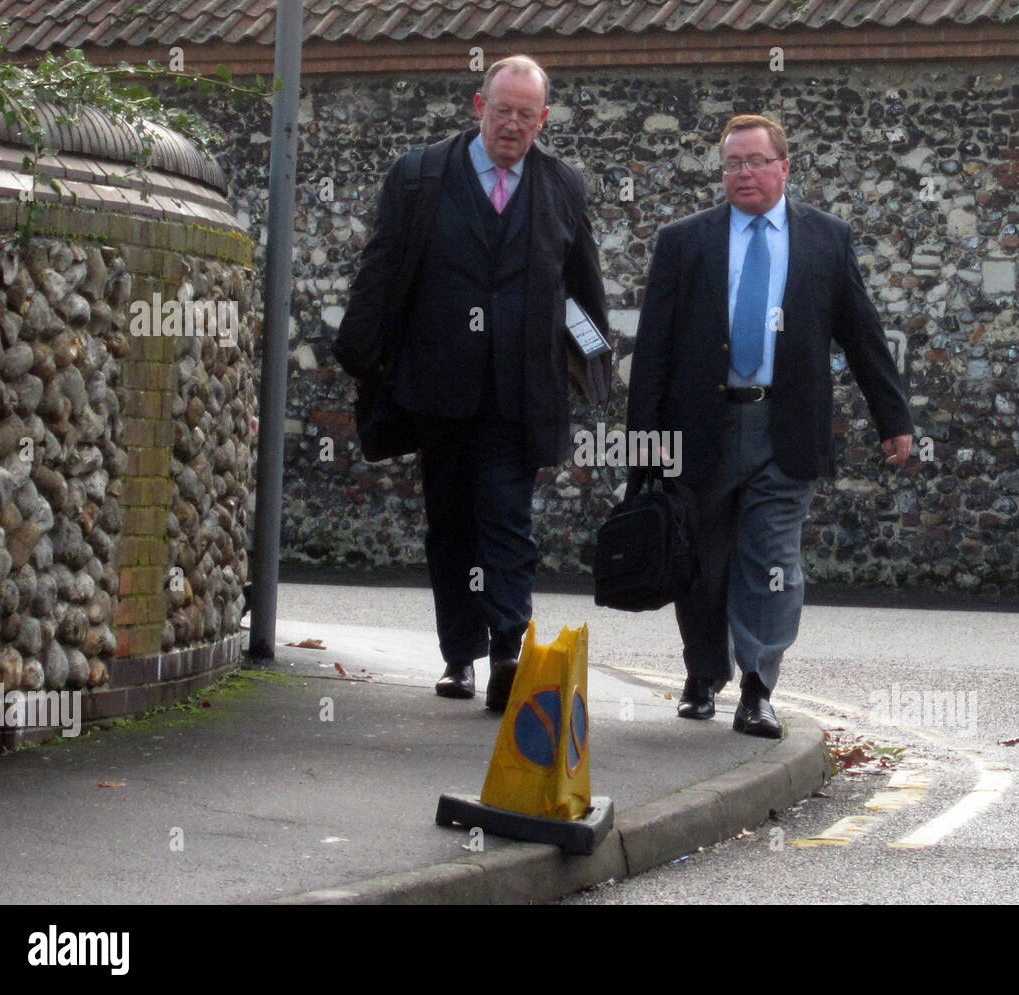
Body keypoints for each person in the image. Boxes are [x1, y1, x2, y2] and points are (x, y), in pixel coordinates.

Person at [333, 56, 610, 710]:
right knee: (452, 522)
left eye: (526, 116)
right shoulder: (421, 175)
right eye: (502, 110)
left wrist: (590, 361)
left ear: (543, 120)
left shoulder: (562, 185)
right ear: (476, 104)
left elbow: (582, 284)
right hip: (439, 384)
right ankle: (461, 655)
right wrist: (360, 353)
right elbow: (382, 266)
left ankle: (511, 649)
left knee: (509, 519)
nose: (512, 126)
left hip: (521, 390)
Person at [626, 114, 913, 738]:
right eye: (732, 163)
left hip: (785, 426)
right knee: (701, 559)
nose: (743, 174)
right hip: (699, 427)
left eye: (756, 161)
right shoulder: (685, 241)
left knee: (772, 559)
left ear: (785, 167)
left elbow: (863, 337)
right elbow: (653, 351)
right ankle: (704, 672)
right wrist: (641, 443)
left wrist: (894, 420)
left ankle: (757, 687)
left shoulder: (826, 240)